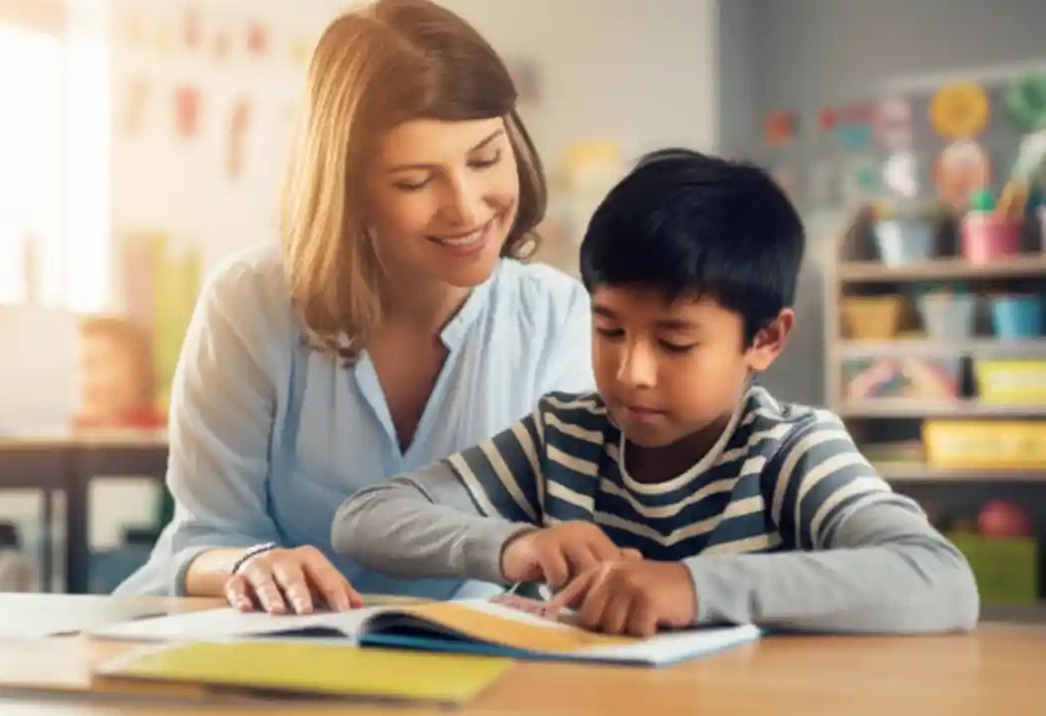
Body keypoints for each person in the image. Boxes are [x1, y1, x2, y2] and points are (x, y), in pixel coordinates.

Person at [333, 149, 979, 636]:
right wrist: (512, 546)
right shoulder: (563, 437)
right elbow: (364, 520)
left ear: (766, 339)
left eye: (675, 342)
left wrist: (691, 588)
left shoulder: (790, 453)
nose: (633, 371)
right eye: (608, 329)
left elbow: (939, 579)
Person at [115, 0, 593, 611]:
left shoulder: (555, 316)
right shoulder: (249, 303)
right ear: (349, 188)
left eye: (485, 158)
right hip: (273, 653)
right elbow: (202, 537)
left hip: (475, 663)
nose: (469, 208)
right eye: (416, 181)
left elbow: (566, 540)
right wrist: (254, 564)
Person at [74, 316, 165, 431]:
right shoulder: (81, 431)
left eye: (100, 363)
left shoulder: (162, 435)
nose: (83, 380)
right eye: (82, 365)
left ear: (136, 375)